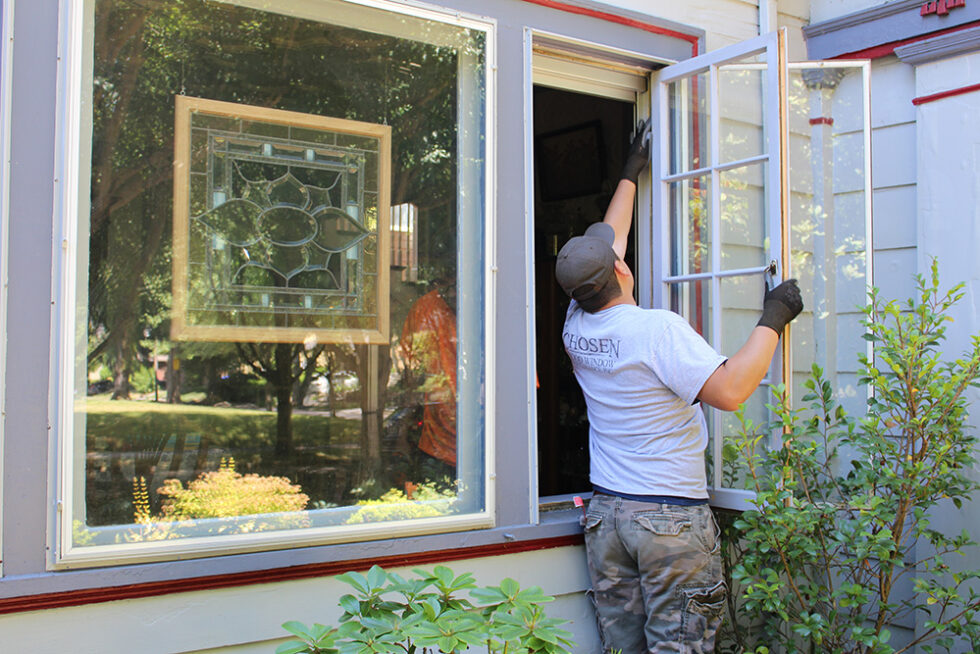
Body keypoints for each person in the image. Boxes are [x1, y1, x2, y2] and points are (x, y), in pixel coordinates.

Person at [555, 120, 803, 653]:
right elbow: (732, 390)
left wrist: (630, 173)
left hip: (609, 517)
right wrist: (775, 314)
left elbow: (609, 236)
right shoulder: (653, 330)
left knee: (625, 647)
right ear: (621, 271)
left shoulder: (576, 320)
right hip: (668, 517)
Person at [400, 278, 458, 478]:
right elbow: (410, 365)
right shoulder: (426, 308)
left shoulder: (496, 305)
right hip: (437, 442)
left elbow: (410, 364)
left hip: (479, 440)